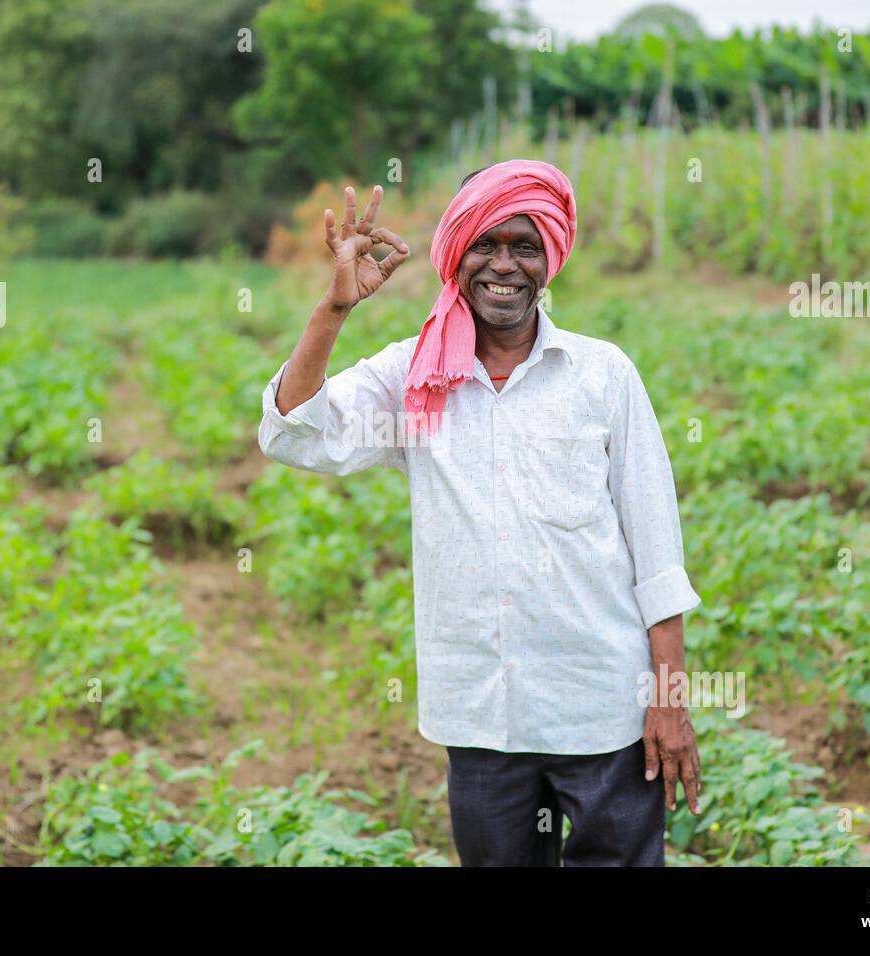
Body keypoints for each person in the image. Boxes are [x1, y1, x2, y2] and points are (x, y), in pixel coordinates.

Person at [258, 160, 702, 866]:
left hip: (603, 712)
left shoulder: (602, 375)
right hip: (481, 719)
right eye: (485, 245)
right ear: (455, 257)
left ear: (549, 259)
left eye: (525, 246)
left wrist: (670, 701)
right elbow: (292, 432)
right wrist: (333, 308)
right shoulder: (413, 377)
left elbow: (657, 551)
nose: (505, 265)